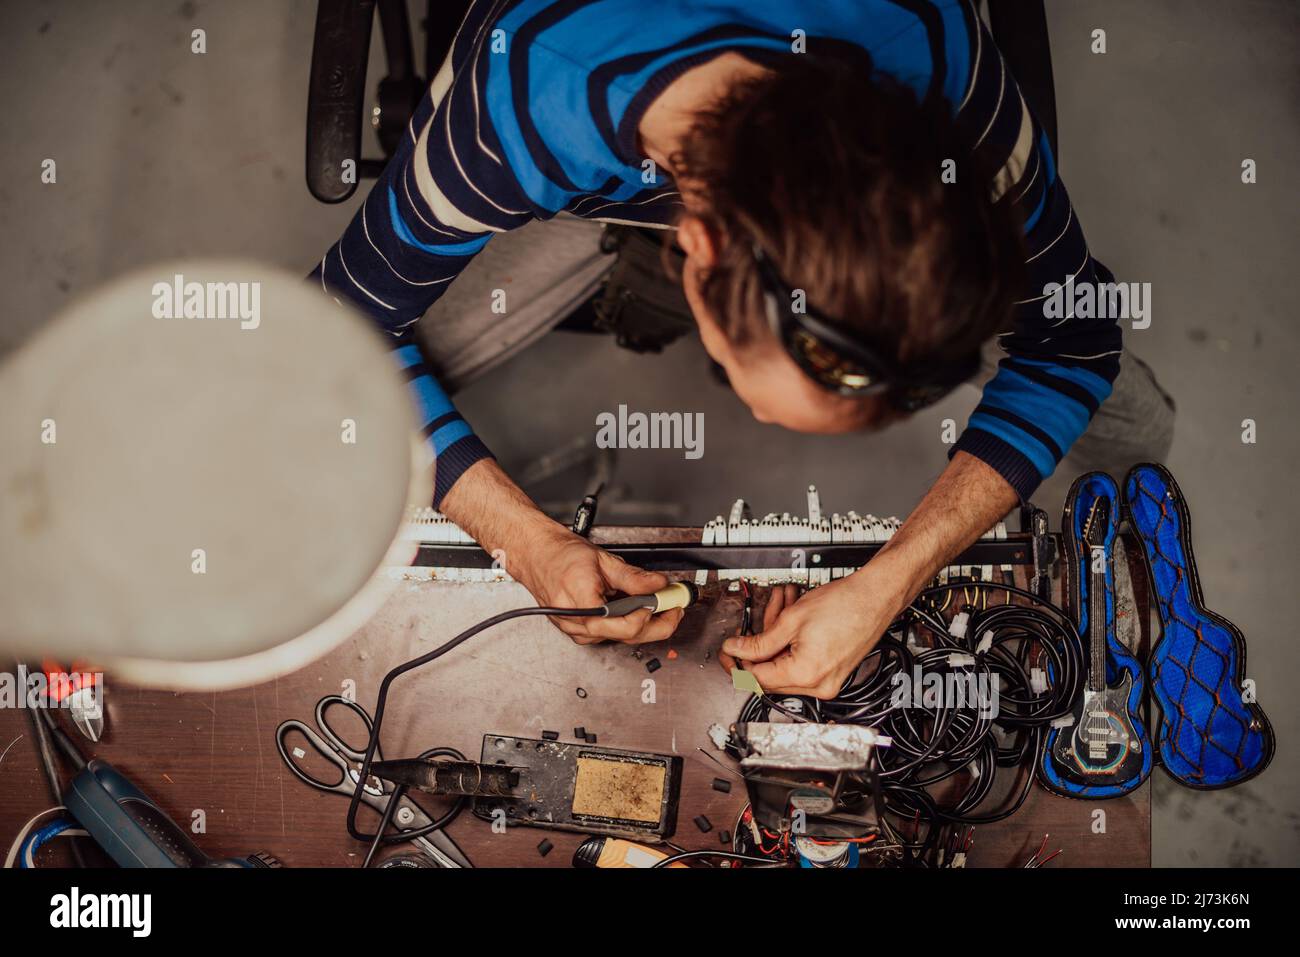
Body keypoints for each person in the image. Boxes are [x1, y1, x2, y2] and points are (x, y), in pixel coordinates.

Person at [312, 0, 1174, 698]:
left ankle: (1121, 554)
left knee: (1123, 412)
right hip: (593, 179)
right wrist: (523, 540)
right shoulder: (523, 105)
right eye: (739, 378)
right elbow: (338, 334)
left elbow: (1073, 344)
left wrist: (892, 581)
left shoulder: (941, 76)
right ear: (695, 256)